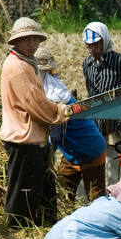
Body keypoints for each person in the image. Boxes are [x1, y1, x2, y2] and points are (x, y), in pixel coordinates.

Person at [0, 17, 75, 226]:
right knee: (22, 194)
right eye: (27, 39)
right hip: (23, 140)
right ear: (16, 41)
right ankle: (17, 231)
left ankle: (47, 227)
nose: (32, 43)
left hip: (33, 139)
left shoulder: (26, 62)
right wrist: (62, 111)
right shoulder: (17, 67)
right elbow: (34, 103)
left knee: (44, 190)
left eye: (35, 39)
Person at [36, 46, 107, 201]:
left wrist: (42, 159)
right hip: (72, 153)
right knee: (63, 194)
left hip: (90, 150)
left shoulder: (55, 97)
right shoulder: (55, 91)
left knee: (97, 199)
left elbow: (55, 136)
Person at [81, 22, 121, 186]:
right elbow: (90, 92)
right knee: (99, 163)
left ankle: (118, 197)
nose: (92, 48)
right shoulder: (87, 64)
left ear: (104, 40)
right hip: (96, 123)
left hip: (117, 125)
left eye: (96, 44)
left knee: (115, 165)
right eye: (89, 45)